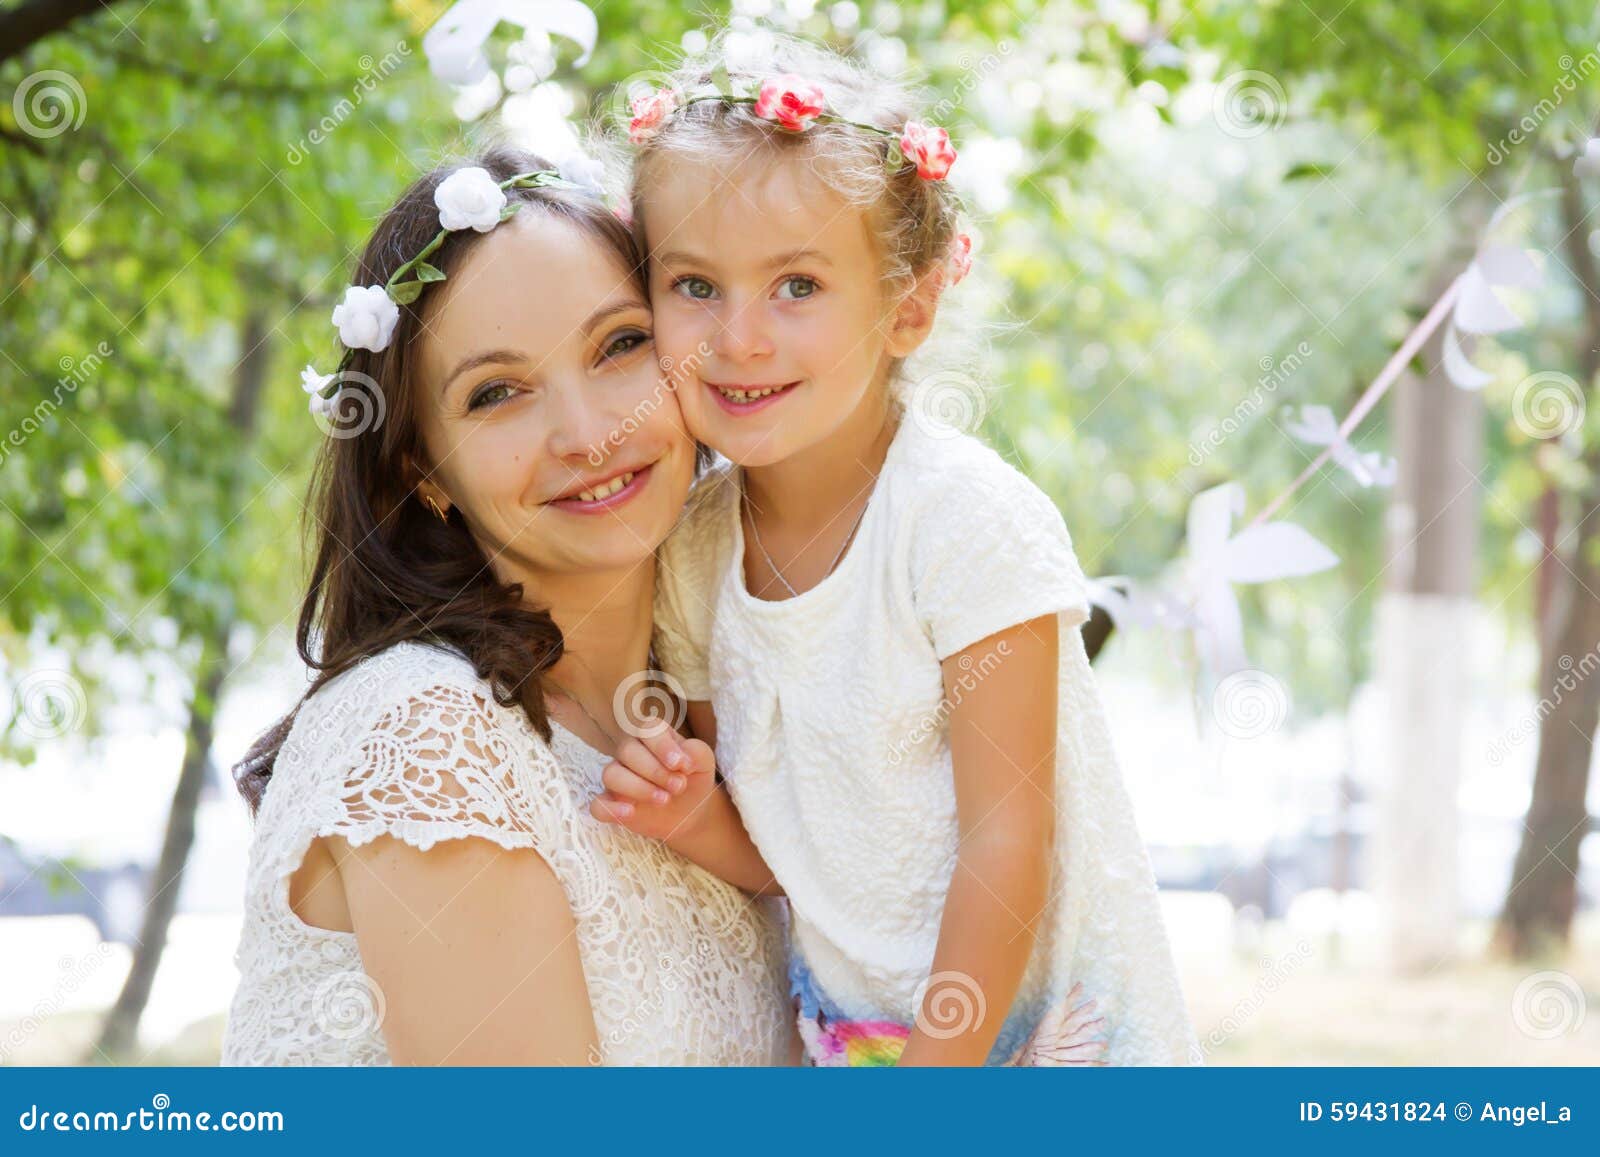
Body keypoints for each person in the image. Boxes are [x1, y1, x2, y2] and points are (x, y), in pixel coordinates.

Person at [595, 32, 1198, 1066]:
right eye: (694, 285)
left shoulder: (961, 521)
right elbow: (786, 858)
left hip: (1044, 1039)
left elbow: (1009, 847)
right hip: (860, 1041)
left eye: (796, 286)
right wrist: (696, 817)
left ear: (907, 307)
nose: (739, 337)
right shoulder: (692, 550)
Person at [222, 146, 793, 1066]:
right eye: (496, 393)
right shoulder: (426, 734)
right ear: (422, 469)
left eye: (619, 344)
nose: (587, 434)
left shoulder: (727, 703)